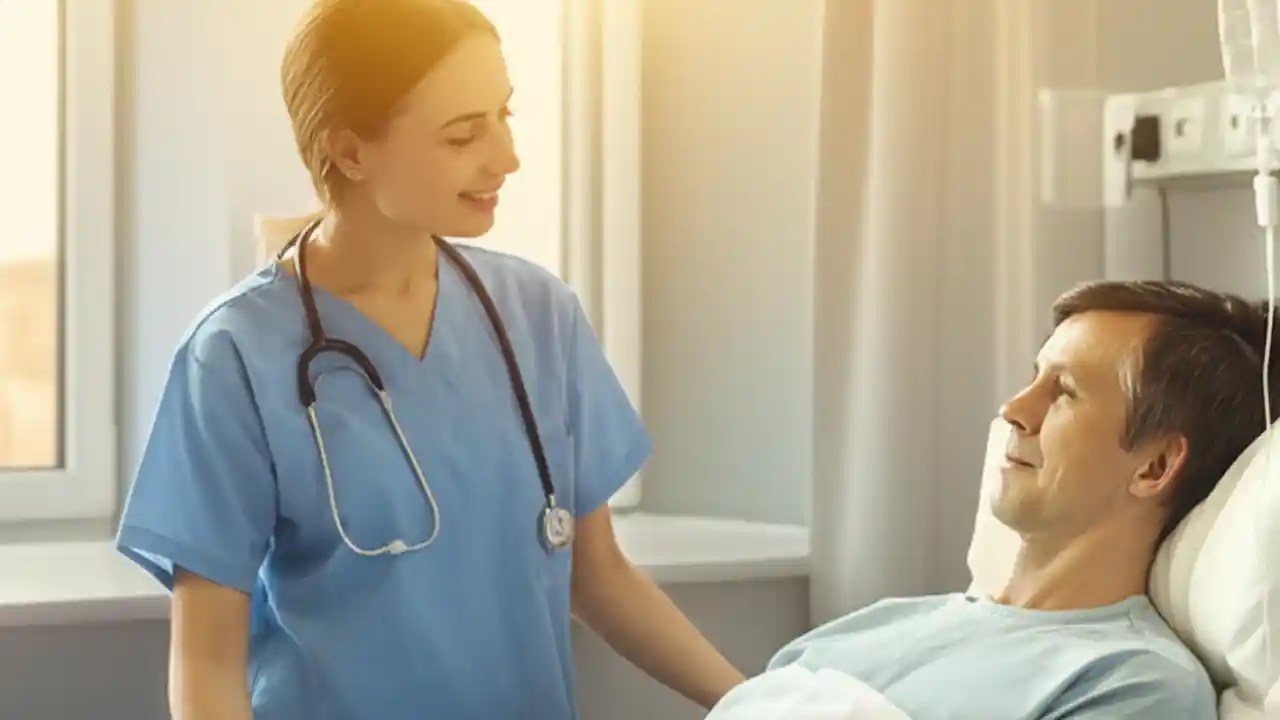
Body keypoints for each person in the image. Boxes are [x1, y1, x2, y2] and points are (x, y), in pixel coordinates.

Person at [114, 1, 744, 718]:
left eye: (505, 116)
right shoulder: (234, 357)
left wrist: (761, 702)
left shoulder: (537, 315)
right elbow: (206, 661)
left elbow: (596, 576)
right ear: (351, 152)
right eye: (463, 134)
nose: (506, 157)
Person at [714, 280, 1275, 718]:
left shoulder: (1131, 683)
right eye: (1034, 377)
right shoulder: (877, 626)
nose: (1014, 409)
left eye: (1065, 392)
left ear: (1154, 466)